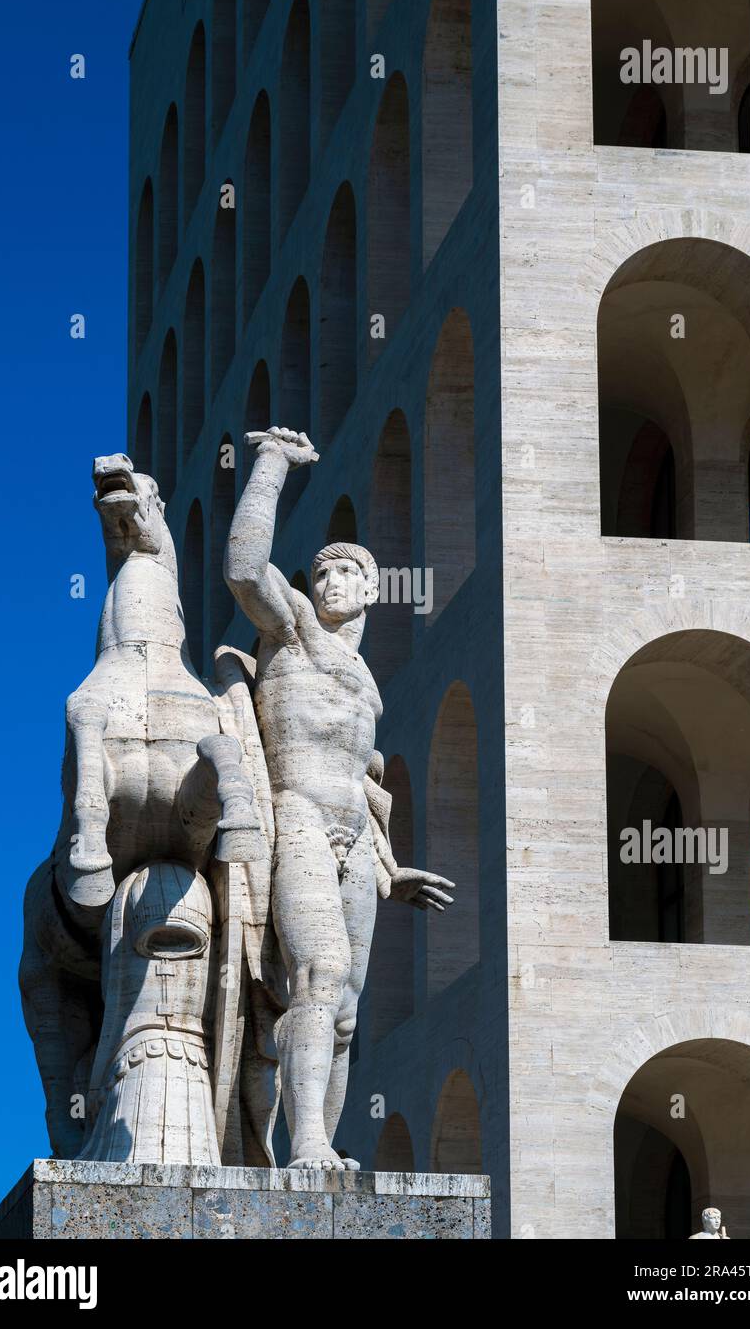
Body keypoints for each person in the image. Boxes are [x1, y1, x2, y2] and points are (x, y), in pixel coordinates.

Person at [225, 426, 455, 1169]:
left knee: (349, 1009)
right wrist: (270, 466)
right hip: (295, 815)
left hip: (357, 840)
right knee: (317, 974)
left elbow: (364, 778)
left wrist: (391, 869)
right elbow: (242, 567)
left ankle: (326, 1143)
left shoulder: (370, 684)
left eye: (344, 573)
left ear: (371, 589)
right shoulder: (291, 631)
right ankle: (309, 1144)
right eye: (319, 573)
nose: (326, 582)